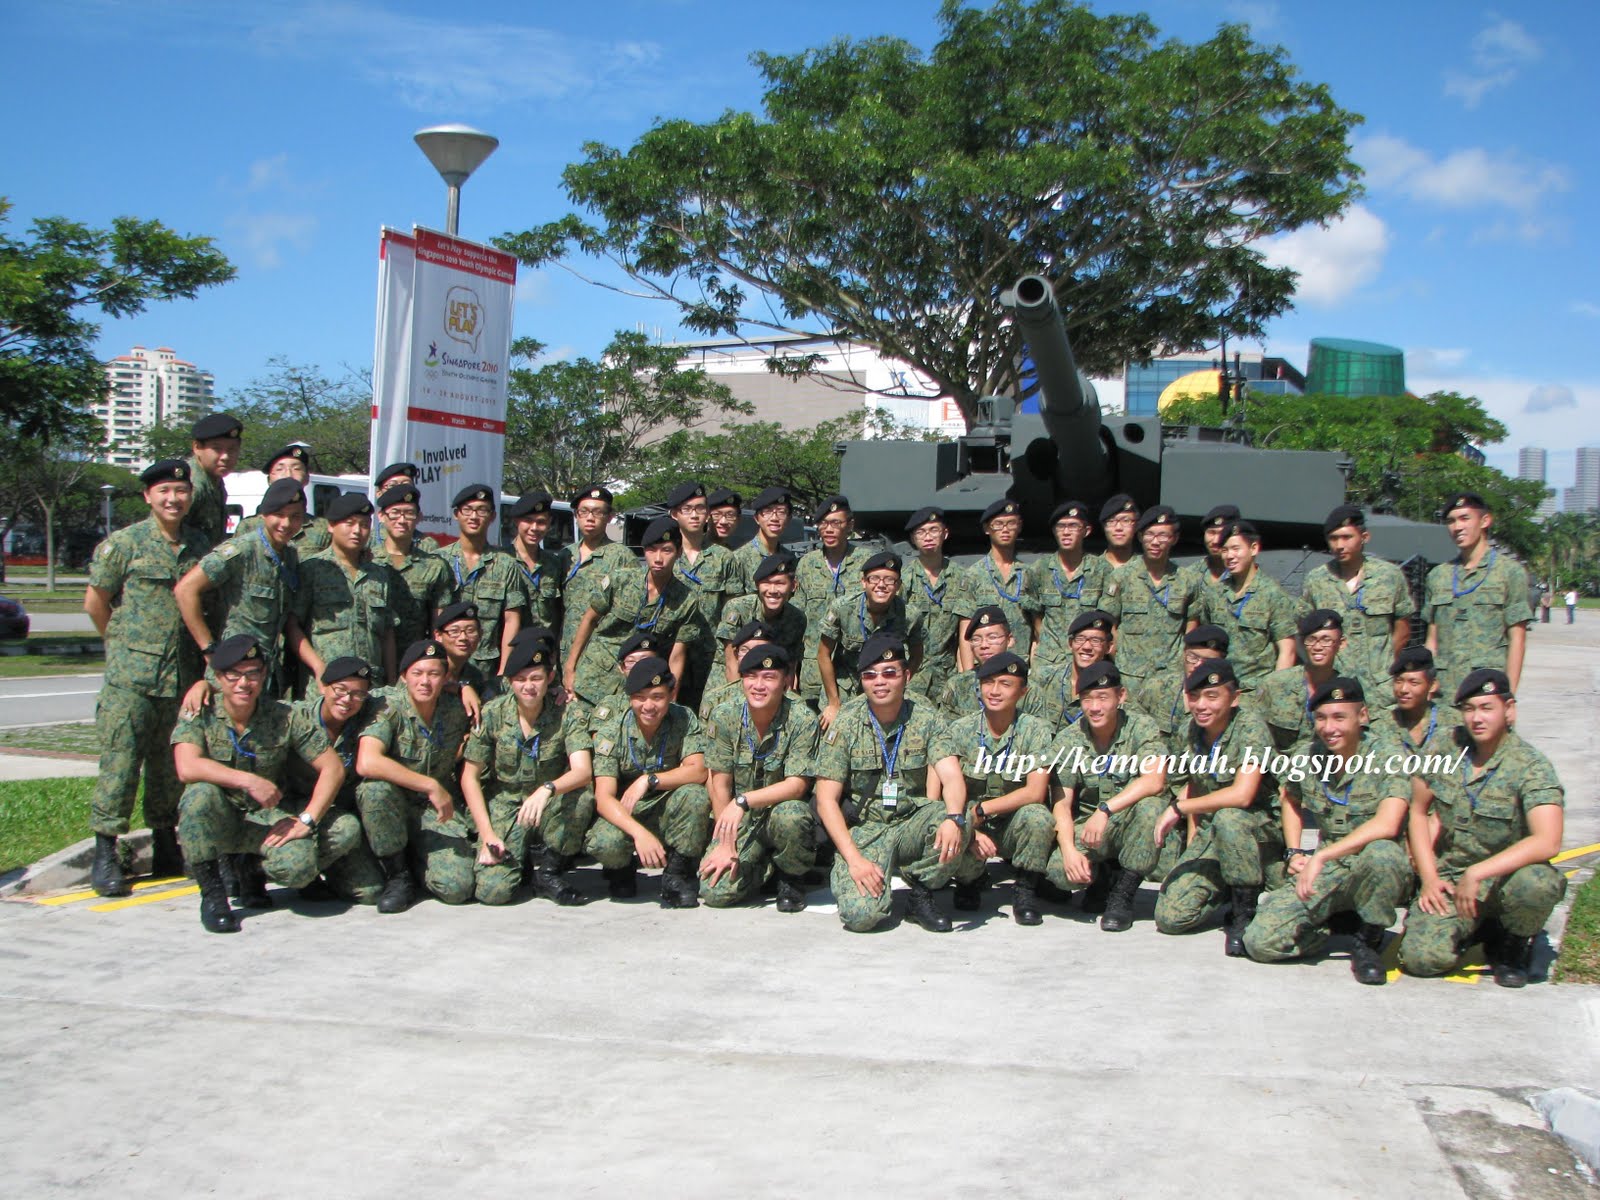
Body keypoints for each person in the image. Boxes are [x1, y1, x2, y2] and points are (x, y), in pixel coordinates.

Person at [83, 458, 210, 896]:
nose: (174, 499)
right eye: (164, 492)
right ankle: (106, 851)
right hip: (131, 679)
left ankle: (166, 845)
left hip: (182, 677)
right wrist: (122, 647)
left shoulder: (199, 545)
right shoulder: (123, 545)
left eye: (181, 491)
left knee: (168, 768)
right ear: (148, 497)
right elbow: (96, 603)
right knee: (121, 765)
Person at [172, 636, 355, 933]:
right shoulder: (199, 709)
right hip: (221, 817)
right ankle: (213, 895)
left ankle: (252, 867)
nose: (244, 683)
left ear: (264, 675)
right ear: (218, 677)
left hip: (265, 819)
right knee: (199, 796)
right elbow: (186, 766)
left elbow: (333, 768)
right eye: (234, 675)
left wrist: (308, 820)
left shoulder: (283, 716)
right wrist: (249, 780)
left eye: (252, 673)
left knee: (305, 862)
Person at [1401, 669, 1566, 988]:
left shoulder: (1531, 765)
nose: (1477, 718)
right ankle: (1478, 928)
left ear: (1509, 709)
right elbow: (1417, 810)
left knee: (1539, 884)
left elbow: (1548, 841)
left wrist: (1477, 873)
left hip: (1506, 881)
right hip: (1451, 879)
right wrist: (1429, 878)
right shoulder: (1446, 748)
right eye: (1469, 709)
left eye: (1487, 708)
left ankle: (1513, 943)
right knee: (1421, 959)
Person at [1243, 678, 1414, 985]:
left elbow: (1388, 824)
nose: (1328, 727)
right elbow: (1290, 797)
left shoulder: (1388, 755)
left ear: (1362, 716)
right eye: (1321, 718)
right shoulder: (1308, 756)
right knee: (1259, 942)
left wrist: (1321, 856)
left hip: (1370, 864)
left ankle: (1369, 940)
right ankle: (1328, 926)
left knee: (1383, 854)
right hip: (1331, 867)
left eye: (1339, 717)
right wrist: (1295, 851)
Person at [812, 635, 971, 933]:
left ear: (906, 675)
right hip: (867, 829)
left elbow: (951, 776)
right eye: (870, 675)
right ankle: (865, 874)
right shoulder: (846, 722)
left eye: (889, 673)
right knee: (862, 917)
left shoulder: (926, 718)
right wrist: (854, 860)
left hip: (911, 819)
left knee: (963, 817)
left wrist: (953, 817)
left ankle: (920, 894)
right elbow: (826, 800)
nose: (879, 682)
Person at [1152, 659, 1281, 956]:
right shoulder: (1192, 731)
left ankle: (1243, 911)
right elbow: (1197, 783)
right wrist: (1194, 840)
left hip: (1259, 833)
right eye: (1194, 697)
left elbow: (1243, 795)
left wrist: (1179, 808)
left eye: (1212, 696)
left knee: (1229, 818)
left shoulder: (1250, 728)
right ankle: (1227, 883)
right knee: (1170, 917)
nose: (1201, 705)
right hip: (1216, 833)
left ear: (1234, 698)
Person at [460, 637, 593, 906]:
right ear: (509, 682)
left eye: (536, 678)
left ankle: (548, 872)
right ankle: (518, 863)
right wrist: (487, 835)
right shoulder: (493, 714)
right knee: (493, 892)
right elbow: (469, 777)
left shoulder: (566, 713)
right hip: (507, 805)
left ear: (550, 678)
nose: (529, 686)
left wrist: (547, 790)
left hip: (547, 805)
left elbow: (582, 771)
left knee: (582, 797)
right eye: (520, 679)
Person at [1045, 661, 1169, 931]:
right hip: (1090, 829)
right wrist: (1067, 850)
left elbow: (1154, 779)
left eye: (1103, 697)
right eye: (1087, 699)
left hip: (1128, 823)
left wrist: (1105, 810)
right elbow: (1062, 804)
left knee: (1151, 808)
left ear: (1120, 696)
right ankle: (1101, 877)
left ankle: (1122, 894)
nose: (1095, 707)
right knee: (1059, 872)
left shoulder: (1141, 727)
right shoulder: (1069, 739)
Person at [354, 639, 475, 912]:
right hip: (392, 805)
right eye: (417, 673)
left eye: (433, 674)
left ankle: (417, 861)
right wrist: (430, 785)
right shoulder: (387, 705)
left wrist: (466, 688)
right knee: (374, 790)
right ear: (403, 676)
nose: (425, 682)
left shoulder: (454, 710)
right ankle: (398, 875)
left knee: (458, 888)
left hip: (434, 811)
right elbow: (367, 761)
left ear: (445, 678)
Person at [936, 652, 1057, 925]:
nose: (994, 690)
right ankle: (970, 880)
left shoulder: (1035, 731)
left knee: (1038, 816)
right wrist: (971, 827)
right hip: (972, 822)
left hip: (1011, 823)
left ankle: (1025, 889)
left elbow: (1035, 792)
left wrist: (982, 809)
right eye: (988, 682)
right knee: (952, 822)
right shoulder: (960, 730)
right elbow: (944, 790)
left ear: (1022, 691)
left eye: (1005, 683)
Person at [699, 644, 820, 911]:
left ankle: (791, 877)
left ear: (786, 682)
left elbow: (797, 785)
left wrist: (743, 800)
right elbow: (719, 783)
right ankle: (766, 867)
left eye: (769, 677)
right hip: (740, 820)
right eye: (751, 676)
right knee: (715, 893)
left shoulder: (802, 719)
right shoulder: (725, 716)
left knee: (792, 815)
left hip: (778, 813)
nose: (758, 685)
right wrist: (724, 843)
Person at [584, 656, 712, 907]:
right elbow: (604, 797)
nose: (648, 706)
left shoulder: (684, 718)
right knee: (603, 842)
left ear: (671, 694)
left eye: (657, 696)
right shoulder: (612, 732)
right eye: (640, 697)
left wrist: (649, 780)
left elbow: (698, 771)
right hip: (628, 811)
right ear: (629, 697)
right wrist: (639, 834)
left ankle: (677, 873)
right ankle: (622, 870)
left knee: (695, 796)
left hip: (667, 805)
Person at [174, 478, 308, 700]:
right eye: (279, 514)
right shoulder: (241, 550)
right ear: (264, 514)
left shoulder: (290, 556)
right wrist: (209, 650)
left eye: (294, 517)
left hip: (267, 673)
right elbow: (185, 590)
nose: (286, 523)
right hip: (233, 674)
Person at [564, 516, 706, 706]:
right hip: (594, 678)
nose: (658, 558)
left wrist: (670, 698)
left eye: (666, 551)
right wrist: (570, 668)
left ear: (679, 552)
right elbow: (589, 620)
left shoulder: (686, 600)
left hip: (640, 688)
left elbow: (677, 655)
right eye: (651, 550)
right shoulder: (620, 580)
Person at [284, 657, 388, 905]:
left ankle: (320, 869)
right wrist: (204, 687)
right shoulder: (294, 716)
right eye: (340, 690)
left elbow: (414, 682)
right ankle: (255, 868)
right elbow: (250, 701)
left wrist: (461, 685)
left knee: (370, 891)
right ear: (323, 686)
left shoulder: (365, 716)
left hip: (335, 815)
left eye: (357, 694)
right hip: (292, 810)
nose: (347, 700)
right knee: (293, 866)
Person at [1423, 492, 1532, 700]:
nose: (1457, 527)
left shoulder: (1509, 572)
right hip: (1444, 692)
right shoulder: (1438, 576)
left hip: (1487, 690)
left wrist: (1509, 696)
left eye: (1465, 518)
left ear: (1485, 521)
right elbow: (1432, 640)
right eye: (1451, 521)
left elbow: (1517, 639)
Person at [1300, 505, 1415, 698]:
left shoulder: (1389, 576)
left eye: (1347, 537)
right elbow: (1303, 628)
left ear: (1364, 537)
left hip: (1380, 687)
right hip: (1333, 686)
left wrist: (1384, 667)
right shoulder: (1317, 580)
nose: (1339, 545)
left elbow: (1403, 627)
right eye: (1334, 539)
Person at [291, 493, 401, 686]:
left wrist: (392, 681)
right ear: (331, 526)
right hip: (327, 683)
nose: (357, 531)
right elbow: (293, 626)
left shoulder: (379, 574)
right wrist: (318, 667)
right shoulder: (312, 569)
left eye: (364, 525)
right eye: (349, 523)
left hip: (371, 684)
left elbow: (387, 633)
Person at [817, 550, 925, 728]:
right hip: (845, 688)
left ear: (898, 586)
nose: (881, 585)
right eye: (874, 579)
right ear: (863, 582)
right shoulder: (843, 608)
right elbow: (823, 655)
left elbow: (917, 654)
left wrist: (900, 684)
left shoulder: (909, 615)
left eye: (889, 580)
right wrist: (833, 703)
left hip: (885, 687)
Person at [1103, 505, 1200, 696]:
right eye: (1150, 535)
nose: (1155, 542)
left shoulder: (1188, 580)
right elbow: (1109, 624)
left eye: (1163, 535)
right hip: (1129, 675)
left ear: (1174, 539)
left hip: (1171, 676)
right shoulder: (1122, 577)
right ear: (1140, 537)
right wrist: (1119, 658)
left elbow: (1191, 627)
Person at [437, 484, 528, 684]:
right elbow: (435, 617)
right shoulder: (439, 561)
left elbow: (512, 620)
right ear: (456, 514)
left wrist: (504, 671)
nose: (474, 517)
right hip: (445, 668)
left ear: (493, 516)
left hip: (487, 668)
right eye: (467, 510)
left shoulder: (505, 564)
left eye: (482, 510)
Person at [667, 480, 743, 711]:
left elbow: (733, 613)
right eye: (687, 509)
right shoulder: (665, 554)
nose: (694, 515)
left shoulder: (724, 558)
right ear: (674, 514)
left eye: (700, 509)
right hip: (669, 653)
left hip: (712, 658)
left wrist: (731, 661)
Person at [1199, 520, 1299, 689]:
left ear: (1254, 548)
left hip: (1256, 691)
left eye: (1236, 549)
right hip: (1220, 689)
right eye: (1225, 550)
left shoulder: (1272, 594)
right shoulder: (1214, 594)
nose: (1229, 556)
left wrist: (1274, 692)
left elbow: (1287, 651)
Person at [795, 495, 872, 705]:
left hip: (854, 671)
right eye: (823, 523)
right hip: (814, 671)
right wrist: (790, 665)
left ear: (850, 525)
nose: (828, 529)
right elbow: (796, 618)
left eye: (836, 523)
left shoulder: (866, 563)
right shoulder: (807, 564)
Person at [1027, 499, 1114, 668]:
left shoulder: (1102, 570)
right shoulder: (1040, 569)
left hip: (1089, 660)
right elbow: (1035, 616)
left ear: (1086, 531)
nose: (1066, 532)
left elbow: (1109, 617)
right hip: (1049, 662)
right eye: (1061, 526)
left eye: (1073, 526)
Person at [560, 483, 641, 663]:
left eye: (598, 512)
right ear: (576, 516)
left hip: (601, 658)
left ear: (609, 517)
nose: (590, 518)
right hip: (565, 651)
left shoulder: (622, 557)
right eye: (584, 512)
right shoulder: (566, 556)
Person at [373, 483, 453, 651]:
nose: (402, 520)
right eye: (395, 513)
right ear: (381, 516)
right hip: (373, 656)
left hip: (414, 659)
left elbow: (438, 623)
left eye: (409, 514)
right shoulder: (368, 560)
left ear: (419, 517)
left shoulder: (434, 566)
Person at [958, 498, 1037, 663]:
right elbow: (966, 629)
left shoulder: (1030, 574)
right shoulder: (973, 575)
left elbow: (1037, 628)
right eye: (998, 524)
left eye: (1011, 523)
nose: (1005, 529)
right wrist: (968, 677)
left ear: (1019, 526)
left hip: (1019, 664)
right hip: (984, 665)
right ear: (987, 528)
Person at [1256, 610, 1345, 754]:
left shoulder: (1349, 688)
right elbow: (1257, 739)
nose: (1317, 647)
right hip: (1282, 770)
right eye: (1311, 639)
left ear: (1341, 644)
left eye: (1326, 640)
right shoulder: (1275, 684)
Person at [900, 506, 964, 700]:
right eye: (920, 532)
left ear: (945, 533)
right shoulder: (904, 578)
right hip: (913, 671)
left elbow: (965, 631)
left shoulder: (961, 577)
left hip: (948, 673)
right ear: (913, 538)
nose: (927, 536)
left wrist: (964, 677)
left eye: (933, 530)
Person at [716, 553, 806, 681]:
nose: (773, 590)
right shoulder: (738, 609)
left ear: (793, 586)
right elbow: (731, 662)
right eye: (766, 583)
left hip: (769, 682)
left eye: (780, 583)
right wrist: (740, 700)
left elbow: (789, 666)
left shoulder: (796, 619)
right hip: (728, 681)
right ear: (757, 585)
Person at [1024, 609, 1117, 730]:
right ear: (1070, 643)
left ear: (1108, 647)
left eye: (1096, 641)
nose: (1087, 647)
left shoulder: (1113, 688)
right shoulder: (1044, 678)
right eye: (1080, 639)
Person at [236, 444, 331, 553]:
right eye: (280, 469)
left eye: (296, 469)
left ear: (307, 478)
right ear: (269, 480)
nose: (288, 474)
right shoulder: (249, 526)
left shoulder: (323, 528)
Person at [936, 606, 1015, 719]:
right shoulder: (957, 686)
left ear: (1009, 640)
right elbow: (945, 732)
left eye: (992, 637)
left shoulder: (1025, 688)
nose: (984, 645)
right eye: (976, 639)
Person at [507, 490, 568, 638]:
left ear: (548, 524)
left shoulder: (554, 564)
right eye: (528, 520)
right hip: (511, 650)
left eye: (541, 522)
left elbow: (558, 612)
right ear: (516, 521)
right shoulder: (501, 559)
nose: (534, 528)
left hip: (542, 650)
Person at [1381, 645, 1461, 758]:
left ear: (1432, 685)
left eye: (1414, 683)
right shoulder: (1383, 723)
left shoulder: (1454, 722)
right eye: (1398, 681)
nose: (1403, 690)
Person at [183, 411, 241, 549]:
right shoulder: (192, 486)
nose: (225, 456)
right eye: (217, 449)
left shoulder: (216, 483)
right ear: (197, 448)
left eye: (232, 449)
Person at [731, 485, 794, 595]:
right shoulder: (739, 559)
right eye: (767, 511)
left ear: (788, 519)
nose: (774, 518)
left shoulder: (790, 560)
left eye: (781, 512)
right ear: (756, 518)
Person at [370, 463, 441, 552]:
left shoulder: (426, 544)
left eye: (406, 485)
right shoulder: (367, 540)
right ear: (379, 494)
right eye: (392, 486)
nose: (400, 491)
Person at [1176, 503, 1239, 599]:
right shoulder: (1190, 576)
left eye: (1222, 533)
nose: (1215, 540)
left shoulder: (1246, 576)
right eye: (1211, 533)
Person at [1097, 494, 1140, 572]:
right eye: (1111, 521)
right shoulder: (1091, 569)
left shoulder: (1147, 569)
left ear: (1136, 526)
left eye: (1126, 521)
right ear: (1104, 527)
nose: (1118, 528)